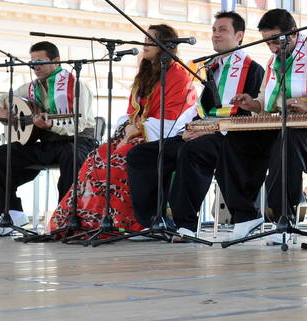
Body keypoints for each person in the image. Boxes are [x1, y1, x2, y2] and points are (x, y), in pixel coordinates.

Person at [217, 8, 307, 244]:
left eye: (274, 40)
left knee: (287, 142)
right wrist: (254, 104)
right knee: (232, 141)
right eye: (267, 42)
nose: (271, 48)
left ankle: (283, 216)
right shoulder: (274, 62)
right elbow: (267, 100)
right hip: (281, 126)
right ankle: (245, 215)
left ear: (292, 34)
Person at [125, 12, 263, 237]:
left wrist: (205, 130)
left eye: (223, 30)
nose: (215, 35)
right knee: (142, 155)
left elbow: (248, 114)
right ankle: (156, 221)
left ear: (239, 35)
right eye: (214, 30)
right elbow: (202, 110)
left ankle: (186, 224)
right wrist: (191, 129)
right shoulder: (211, 68)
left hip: (231, 137)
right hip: (203, 133)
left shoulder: (253, 69)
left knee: (192, 152)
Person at [50, 24, 197, 234]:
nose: (144, 45)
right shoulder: (145, 74)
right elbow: (131, 111)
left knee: (117, 162)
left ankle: (130, 223)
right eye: (144, 40)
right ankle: (89, 220)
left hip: (156, 137)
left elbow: (173, 118)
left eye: (150, 41)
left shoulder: (179, 75)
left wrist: (136, 131)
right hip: (134, 134)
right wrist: (126, 130)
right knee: (94, 160)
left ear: (164, 45)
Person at [0, 40, 97, 234]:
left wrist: (52, 124)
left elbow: (82, 123)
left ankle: (66, 218)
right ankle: (12, 214)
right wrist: (0, 109)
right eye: (32, 62)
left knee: (70, 154)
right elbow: (0, 98)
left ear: (57, 61)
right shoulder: (29, 88)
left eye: (41, 61)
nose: (35, 67)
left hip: (77, 142)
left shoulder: (76, 85)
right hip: (47, 143)